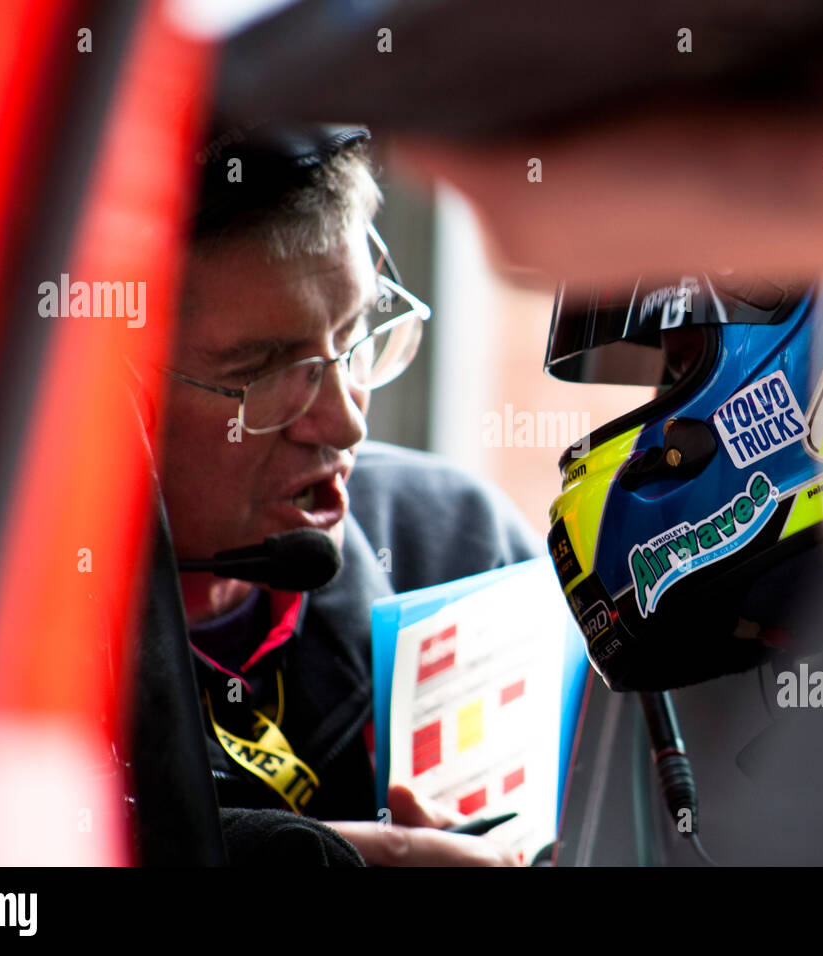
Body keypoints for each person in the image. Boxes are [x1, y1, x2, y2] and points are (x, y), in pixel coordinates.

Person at [148, 122, 536, 865]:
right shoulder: (5, 649)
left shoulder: (460, 552)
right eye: (263, 369)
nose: (346, 420)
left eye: (355, 328)